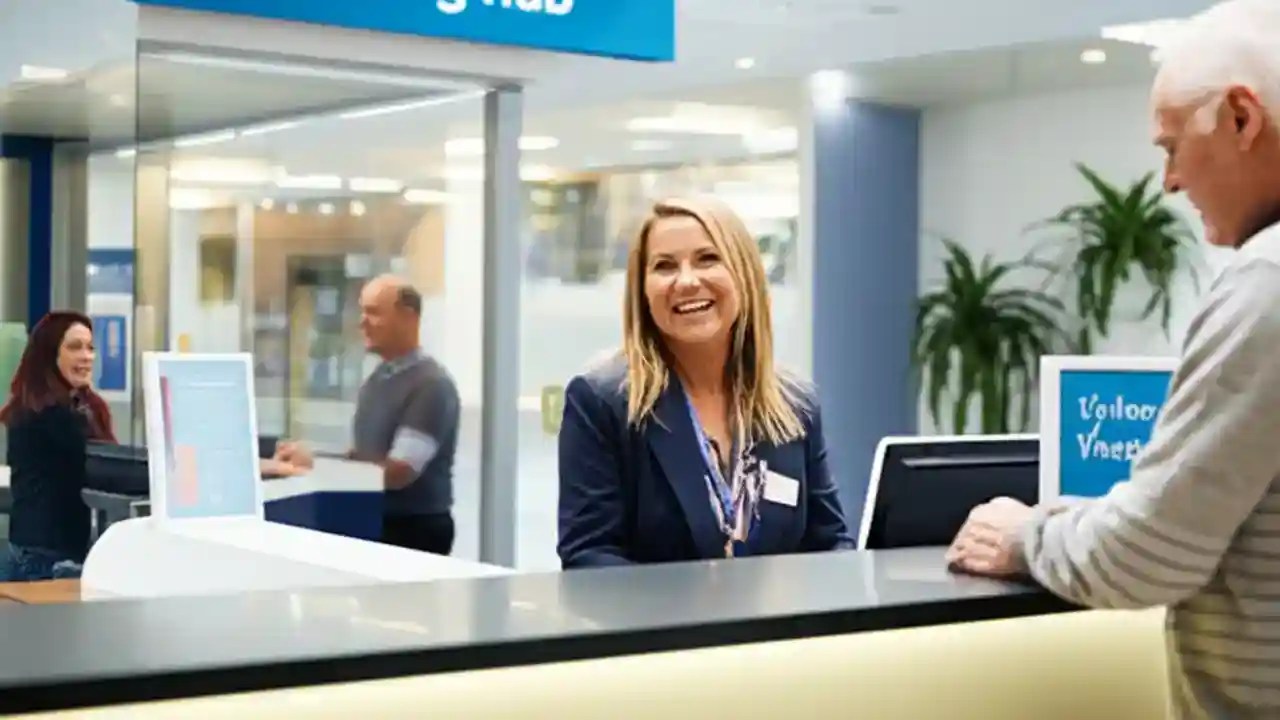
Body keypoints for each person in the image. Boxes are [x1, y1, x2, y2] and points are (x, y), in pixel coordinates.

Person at [946, 1, 1280, 716]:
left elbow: (1148, 557)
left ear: (1243, 118)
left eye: (1171, 147)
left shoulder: (1268, 284)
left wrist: (1025, 533)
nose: (1170, 183)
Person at [557, 197, 853, 568]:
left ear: (744, 275)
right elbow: (589, 556)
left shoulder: (795, 404)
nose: (686, 281)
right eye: (664, 266)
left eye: (707, 259)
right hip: (663, 625)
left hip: (779, 626)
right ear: (643, 291)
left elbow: (830, 544)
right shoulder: (603, 401)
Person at [276, 275, 460, 555]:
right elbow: (364, 456)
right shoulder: (378, 379)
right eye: (362, 311)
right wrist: (313, 458)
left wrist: (315, 464)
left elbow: (398, 472)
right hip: (370, 522)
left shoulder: (431, 386)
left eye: (374, 312)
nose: (362, 322)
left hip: (410, 534)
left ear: (409, 317)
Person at [0, 312, 116, 582]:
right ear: (49, 355)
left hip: (65, 552)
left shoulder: (84, 407)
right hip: (43, 560)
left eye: (90, 348)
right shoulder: (44, 414)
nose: (86, 356)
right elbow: (97, 467)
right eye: (74, 347)